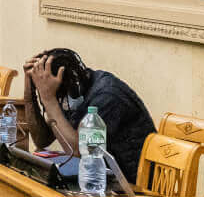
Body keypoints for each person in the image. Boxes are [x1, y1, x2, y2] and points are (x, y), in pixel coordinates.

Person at [18, 48, 156, 184]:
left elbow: (81, 152)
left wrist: (49, 99)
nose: (62, 102)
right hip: (101, 179)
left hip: (134, 186)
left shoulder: (107, 96)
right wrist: (29, 93)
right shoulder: (68, 88)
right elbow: (42, 139)